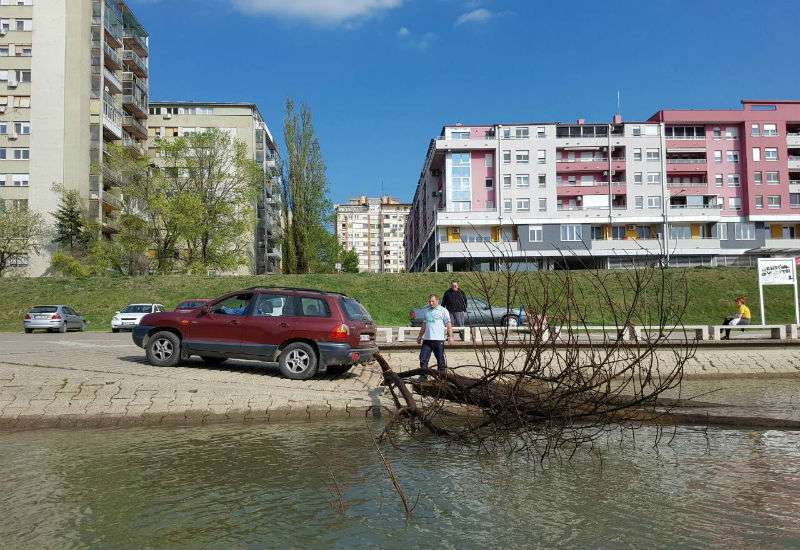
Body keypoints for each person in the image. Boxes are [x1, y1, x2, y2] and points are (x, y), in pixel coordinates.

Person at [416, 294, 453, 377]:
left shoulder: (443, 310)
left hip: (438, 339)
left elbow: (448, 324)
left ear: (437, 301)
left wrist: (450, 336)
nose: (431, 303)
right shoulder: (427, 311)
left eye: (433, 301)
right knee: (423, 359)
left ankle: (442, 377)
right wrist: (419, 336)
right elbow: (424, 325)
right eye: (429, 301)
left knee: (440, 360)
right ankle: (423, 376)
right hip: (427, 340)